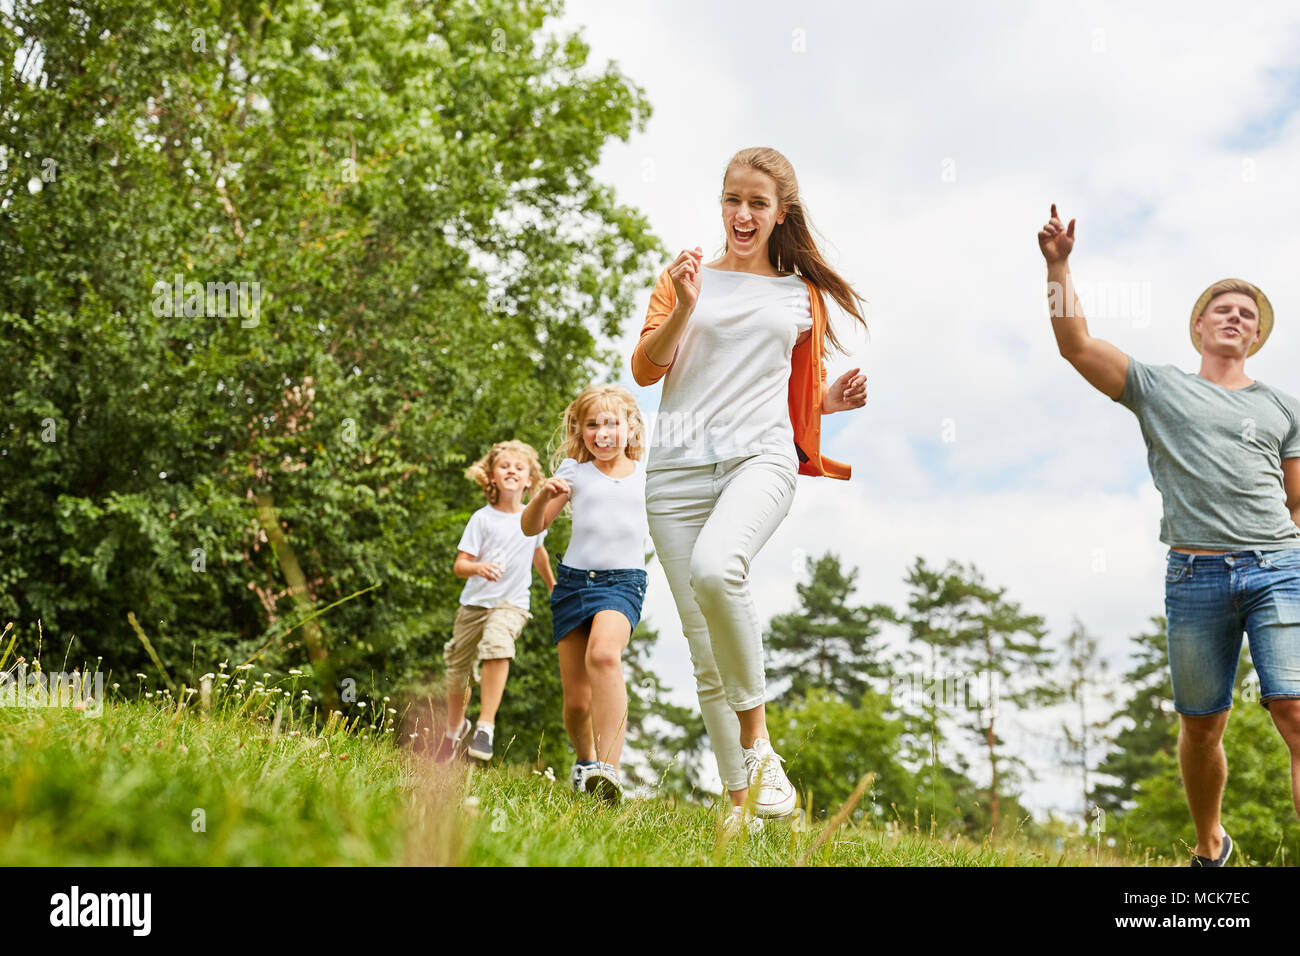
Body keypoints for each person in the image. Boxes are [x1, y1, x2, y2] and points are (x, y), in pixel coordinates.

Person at [1038, 203, 1300, 867]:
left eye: (1249, 314)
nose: (1236, 317)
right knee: (1202, 726)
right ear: (1200, 327)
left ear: (1257, 335)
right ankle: (1211, 841)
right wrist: (1059, 265)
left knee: (1295, 713)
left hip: (1278, 566)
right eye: (1224, 309)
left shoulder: (1283, 408)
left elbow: (1298, 501)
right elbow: (1075, 347)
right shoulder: (1159, 388)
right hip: (1195, 577)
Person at [631, 147, 869, 829]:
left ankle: (760, 751)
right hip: (675, 471)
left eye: (757, 203)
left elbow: (787, 391)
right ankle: (740, 805)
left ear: (779, 212)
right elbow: (647, 370)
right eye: (733, 199)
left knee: (717, 568)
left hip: (758, 459)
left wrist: (826, 401)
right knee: (705, 653)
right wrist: (686, 306)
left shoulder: (801, 297)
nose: (742, 213)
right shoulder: (684, 277)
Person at [521, 385, 650, 804]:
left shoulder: (648, 475)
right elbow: (530, 528)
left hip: (623, 583)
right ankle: (585, 762)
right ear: (581, 431)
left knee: (604, 656)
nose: (602, 432)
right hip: (574, 583)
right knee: (576, 702)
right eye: (591, 424)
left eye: (611, 422)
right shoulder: (574, 472)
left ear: (630, 427)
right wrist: (542, 494)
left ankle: (608, 772)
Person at [435, 439, 555, 764]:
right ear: (492, 476)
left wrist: (551, 585)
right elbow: (460, 566)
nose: (512, 471)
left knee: (497, 644)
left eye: (520, 467)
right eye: (505, 466)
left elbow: (538, 552)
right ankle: (454, 729)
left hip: (511, 603)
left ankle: (485, 726)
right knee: (457, 673)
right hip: (474, 605)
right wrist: (478, 567)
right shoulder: (482, 519)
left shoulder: (534, 516)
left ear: (530, 478)